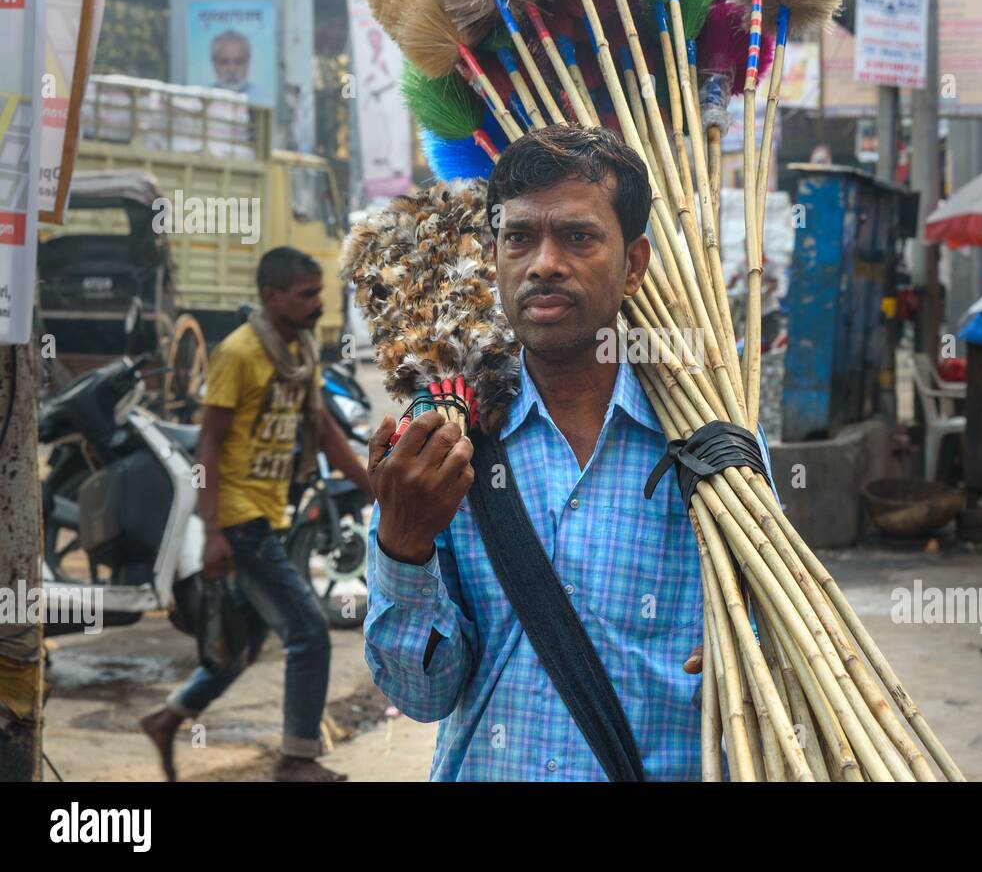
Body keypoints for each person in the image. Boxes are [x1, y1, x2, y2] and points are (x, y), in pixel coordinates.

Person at [363, 125, 774, 781]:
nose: (544, 263)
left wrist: (750, 658)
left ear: (634, 264)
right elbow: (422, 695)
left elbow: (777, 652)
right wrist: (402, 544)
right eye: (520, 238)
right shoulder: (444, 444)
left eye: (578, 237)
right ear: (494, 257)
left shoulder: (712, 452)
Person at [140, 248, 371, 782]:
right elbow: (210, 445)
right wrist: (213, 531)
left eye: (318, 292)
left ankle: (167, 718)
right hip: (240, 519)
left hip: (270, 513)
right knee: (309, 630)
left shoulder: (301, 351)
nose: (318, 303)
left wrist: (375, 485)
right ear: (272, 296)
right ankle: (296, 759)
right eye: (306, 294)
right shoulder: (239, 352)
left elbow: (324, 433)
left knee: (242, 645)